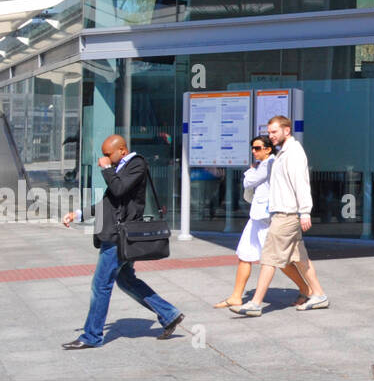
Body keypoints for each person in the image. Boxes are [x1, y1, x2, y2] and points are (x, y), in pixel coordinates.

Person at [60, 135, 185, 348]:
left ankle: (91, 336)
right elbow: (110, 201)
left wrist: (107, 169)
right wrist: (79, 214)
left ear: (122, 151)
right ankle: (169, 314)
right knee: (126, 280)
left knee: (101, 285)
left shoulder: (137, 164)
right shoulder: (121, 169)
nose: (104, 158)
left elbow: (119, 189)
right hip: (118, 236)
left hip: (119, 238)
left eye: (108, 154)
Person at [232, 115, 329, 315]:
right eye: (269, 132)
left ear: (287, 131)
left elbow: (301, 183)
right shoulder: (283, 153)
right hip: (282, 212)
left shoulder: (293, 153)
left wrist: (305, 212)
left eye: (274, 132)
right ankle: (319, 294)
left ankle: (256, 303)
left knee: (268, 257)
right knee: (300, 258)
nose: (271, 136)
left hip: (287, 214)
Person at [214, 135, 310, 308]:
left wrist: (251, 170)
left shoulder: (270, 164)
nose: (253, 151)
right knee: (244, 255)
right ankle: (236, 296)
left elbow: (249, 181)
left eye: (257, 148)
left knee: (281, 261)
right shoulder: (264, 164)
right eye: (252, 148)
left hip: (268, 219)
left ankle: (306, 288)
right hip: (257, 217)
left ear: (268, 149)